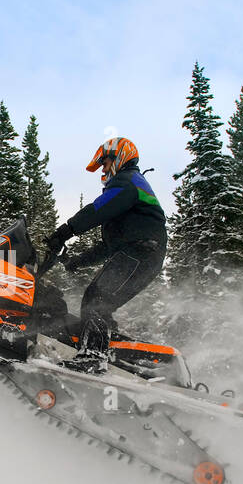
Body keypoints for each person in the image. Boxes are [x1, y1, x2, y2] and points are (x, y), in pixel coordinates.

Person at [43, 137, 167, 373]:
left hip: (141, 252)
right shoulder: (130, 199)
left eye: (106, 162)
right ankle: (120, 359)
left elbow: (98, 208)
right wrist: (77, 262)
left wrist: (65, 231)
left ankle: (94, 357)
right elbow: (108, 246)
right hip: (141, 253)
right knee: (102, 302)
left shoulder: (128, 182)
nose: (104, 168)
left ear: (120, 157)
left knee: (96, 298)